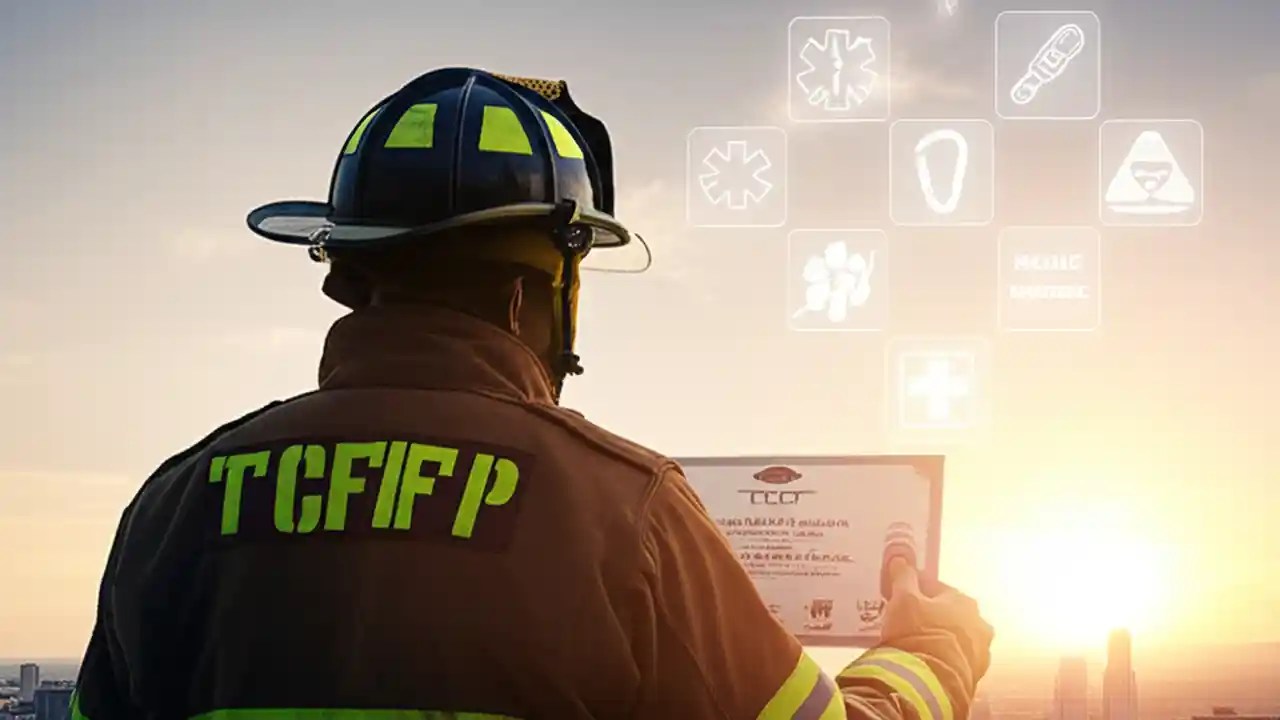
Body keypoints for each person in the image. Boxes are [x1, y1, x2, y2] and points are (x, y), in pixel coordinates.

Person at [70, 67, 993, 720]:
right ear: (532, 297)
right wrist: (932, 652)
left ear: (348, 274)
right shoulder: (623, 513)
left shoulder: (171, 509)